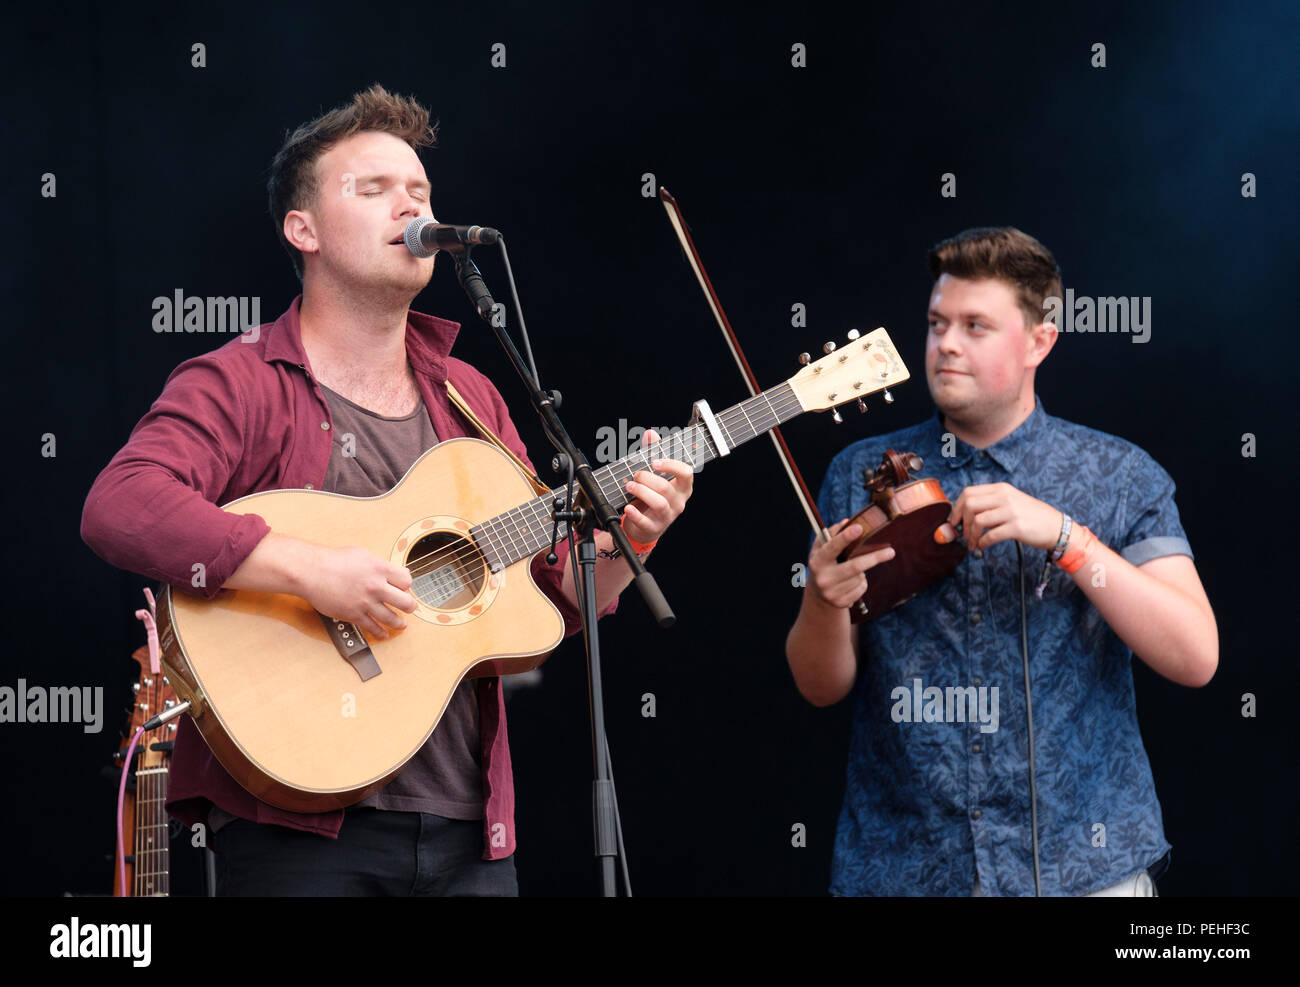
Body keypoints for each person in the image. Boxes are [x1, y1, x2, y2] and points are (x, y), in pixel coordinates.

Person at [81, 84, 693, 896]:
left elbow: (549, 600)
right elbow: (121, 505)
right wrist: (309, 570)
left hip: (470, 831)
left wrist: (630, 542)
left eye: (420, 191)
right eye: (373, 188)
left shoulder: (471, 393)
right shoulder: (240, 382)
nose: (410, 202)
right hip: (295, 830)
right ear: (304, 231)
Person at [785, 227, 1216, 897]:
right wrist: (821, 600)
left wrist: (1069, 537)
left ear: (1039, 341)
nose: (945, 344)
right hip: (905, 873)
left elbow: (1194, 655)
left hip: (1084, 873)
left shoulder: (1118, 473)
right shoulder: (858, 476)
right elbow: (820, 685)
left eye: (976, 326)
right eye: (936, 324)